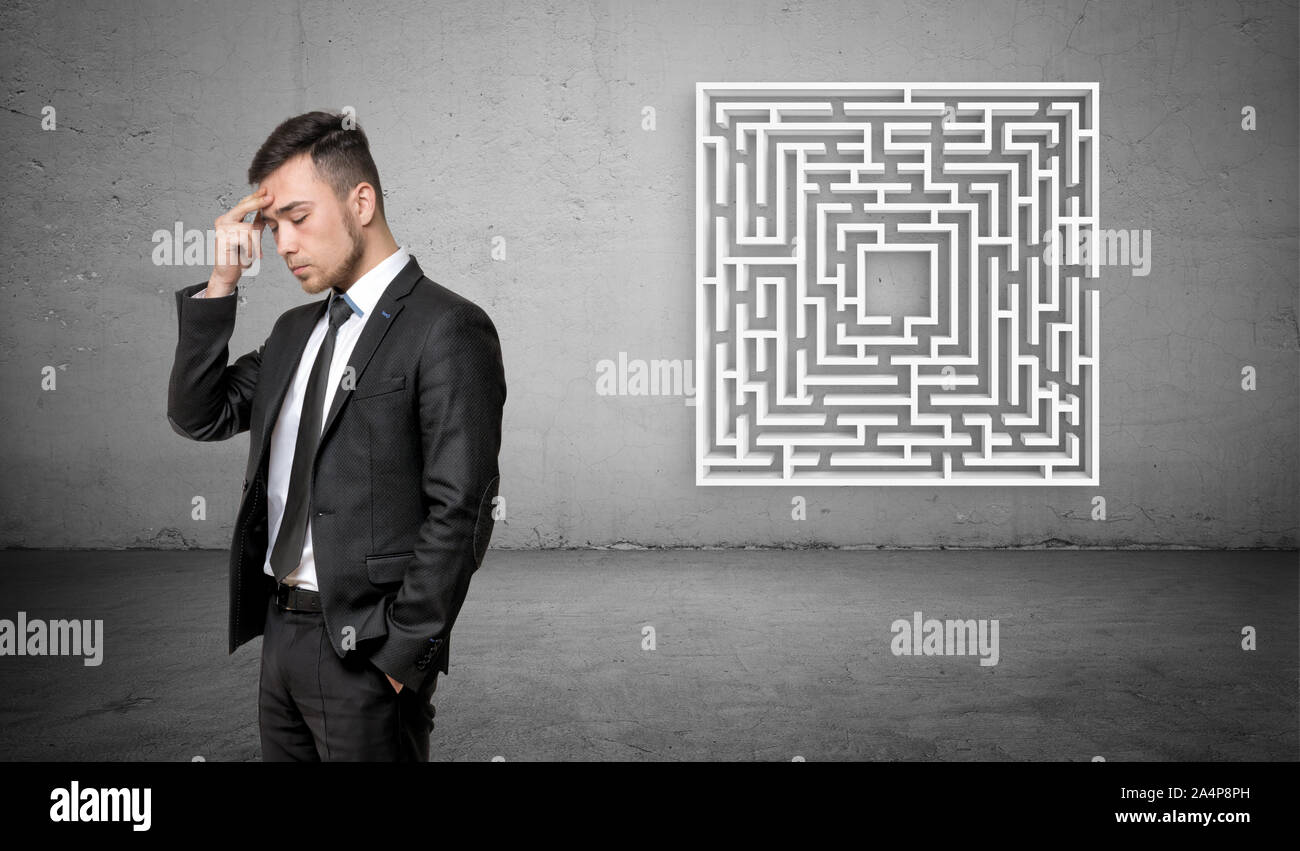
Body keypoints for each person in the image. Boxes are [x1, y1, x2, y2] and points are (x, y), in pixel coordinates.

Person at [166, 110, 506, 761]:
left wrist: (401, 658)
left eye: (298, 217)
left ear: (362, 200)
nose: (284, 244)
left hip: (369, 652)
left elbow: (460, 507)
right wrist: (222, 283)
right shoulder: (296, 331)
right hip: (280, 637)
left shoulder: (448, 328)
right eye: (272, 227)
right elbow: (198, 412)